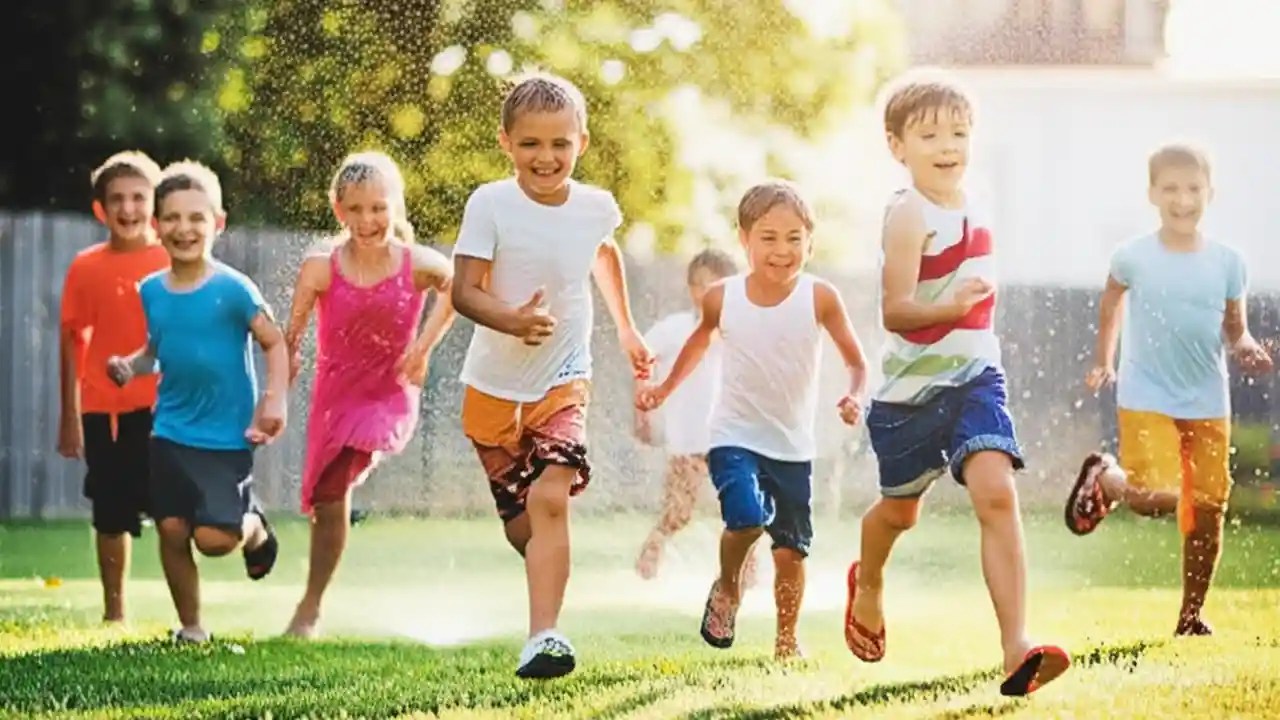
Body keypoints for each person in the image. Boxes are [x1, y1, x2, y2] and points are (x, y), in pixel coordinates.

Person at [844, 72, 1070, 697]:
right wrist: (950, 308)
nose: (948, 145)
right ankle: (868, 582)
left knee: (996, 491)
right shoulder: (907, 213)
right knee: (899, 513)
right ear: (898, 146)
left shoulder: (976, 200)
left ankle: (1016, 647)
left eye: (960, 132)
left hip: (975, 378)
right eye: (930, 133)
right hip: (909, 395)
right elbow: (896, 311)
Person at [451, 72, 653, 679]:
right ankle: (546, 575)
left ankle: (545, 637)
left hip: (564, 377)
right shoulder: (490, 203)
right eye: (532, 144)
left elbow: (603, 252)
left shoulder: (595, 207)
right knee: (525, 530)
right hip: (492, 390)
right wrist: (510, 319)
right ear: (506, 143)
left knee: (549, 498)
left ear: (582, 143)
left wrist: (625, 327)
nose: (547, 157)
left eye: (560, 143)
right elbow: (464, 291)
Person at [636, 179, 869, 660]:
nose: (781, 251)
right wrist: (663, 389)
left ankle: (787, 640)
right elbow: (697, 345)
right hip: (733, 436)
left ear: (810, 242)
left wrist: (854, 396)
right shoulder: (723, 297)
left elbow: (857, 361)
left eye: (793, 239)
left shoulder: (820, 297)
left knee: (790, 552)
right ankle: (728, 587)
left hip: (792, 446)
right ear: (743, 240)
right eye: (768, 238)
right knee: (744, 519)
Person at [1065, 143, 1272, 637]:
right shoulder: (1133, 255)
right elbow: (1111, 301)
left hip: (1207, 399)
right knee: (1155, 498)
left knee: (1206, 511)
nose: (1183, 199)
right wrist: (1103, 358)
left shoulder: (1228, 262)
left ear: (1210, 193)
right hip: (1146, 393)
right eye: (1171, 189)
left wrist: (1245, 347)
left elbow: (1234, 327)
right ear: (1152, 193)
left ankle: (1190, 617)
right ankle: (1106, 477)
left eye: (1194, 188)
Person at [106, 161, 285, 643]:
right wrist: (130, 365)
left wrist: (274, 402)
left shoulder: (233, 289)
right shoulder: (153, 292)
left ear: (217, 223)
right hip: (171, 430)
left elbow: (275, 343)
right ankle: (191, 627)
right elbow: (157, 351)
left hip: (227, 437)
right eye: (172, 218)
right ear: (155, 225)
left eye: (196, 218)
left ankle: (254, 530)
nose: (183, 228)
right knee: (170, 528)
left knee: (214, 540)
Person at [282, 151, 454, 638]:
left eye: (378, 208)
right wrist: (281, 380)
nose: (367, 220)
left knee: (334, 486)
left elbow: (456, 288)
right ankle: (312, 602)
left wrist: (422, 349)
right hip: (335, 397)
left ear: (396, 207)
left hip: (387, 393)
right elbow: (290, 339)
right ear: (339, 211)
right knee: (324, 496)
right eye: (355, 210)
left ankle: (309, 612)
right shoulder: (321, 268)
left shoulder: (415, 264)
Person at [57, 150, 168, 624]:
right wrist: (70, 414)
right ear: (101, 209)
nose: (128, 209)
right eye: (117, 200)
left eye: (139, 198)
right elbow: (73, 340)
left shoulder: (171, 257)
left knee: (170, 511)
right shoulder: (86, 267)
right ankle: (114, 614)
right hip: (104, 411)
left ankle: (185, 611)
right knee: (109, 510)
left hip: (164, 408)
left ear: (155, 204)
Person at [633, 248, 760, 586]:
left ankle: (747, 571)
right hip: (688, 436)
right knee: (679, 510)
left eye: (718, 285)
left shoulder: (743, 329)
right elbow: (643, 358)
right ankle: (652, 550)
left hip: (733, 436)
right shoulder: (675, 329)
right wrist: (642, 405)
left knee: (744, 507)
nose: (709, 292)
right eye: (702, 285)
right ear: (691, 289)